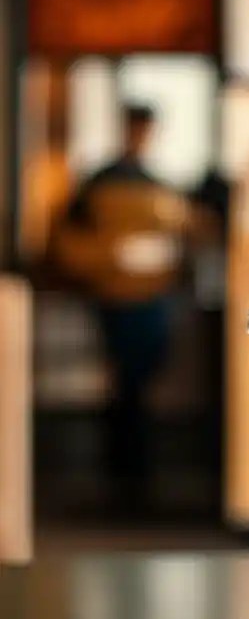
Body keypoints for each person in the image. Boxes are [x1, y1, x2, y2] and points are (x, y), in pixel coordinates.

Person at [56, 104, 191, 494]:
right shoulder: (99, 183)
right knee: (125, 385)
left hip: (154, 299)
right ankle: (124, 473)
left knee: (145, 382)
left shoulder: (160, 185)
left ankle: (137, 470)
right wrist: (112, 256)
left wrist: (167, 261)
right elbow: (69, 244)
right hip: (115, 298)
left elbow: (181, 242)